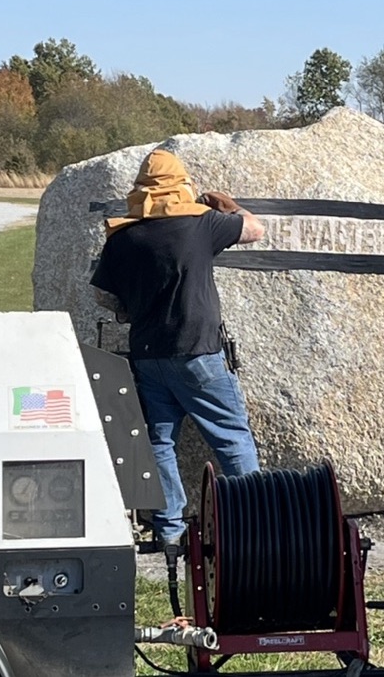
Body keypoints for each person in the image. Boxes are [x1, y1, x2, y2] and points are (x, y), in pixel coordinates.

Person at [90, 148, 265, 548]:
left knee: (158, 443)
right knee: (231, 437)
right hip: (199, 351)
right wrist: (226, 203)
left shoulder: (121, 238)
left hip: (148, 355)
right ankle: (255, 522)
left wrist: (130, 307)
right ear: (181, 185)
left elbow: (103, 295)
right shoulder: (202, 224)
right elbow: (256, 229)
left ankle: (169, 530)